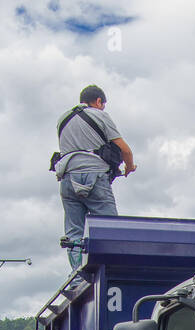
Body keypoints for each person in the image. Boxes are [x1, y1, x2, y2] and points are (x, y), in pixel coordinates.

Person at [54, 85, 135, 270]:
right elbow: (125, 150)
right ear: (98, 101)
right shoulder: (100, 115)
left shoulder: (62, 119)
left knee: (74, 233)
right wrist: (129, 168)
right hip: (95, 175)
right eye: (103, 104)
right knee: (109, 227)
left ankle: (77, 276)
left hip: (67, 178)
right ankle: (112, 268)